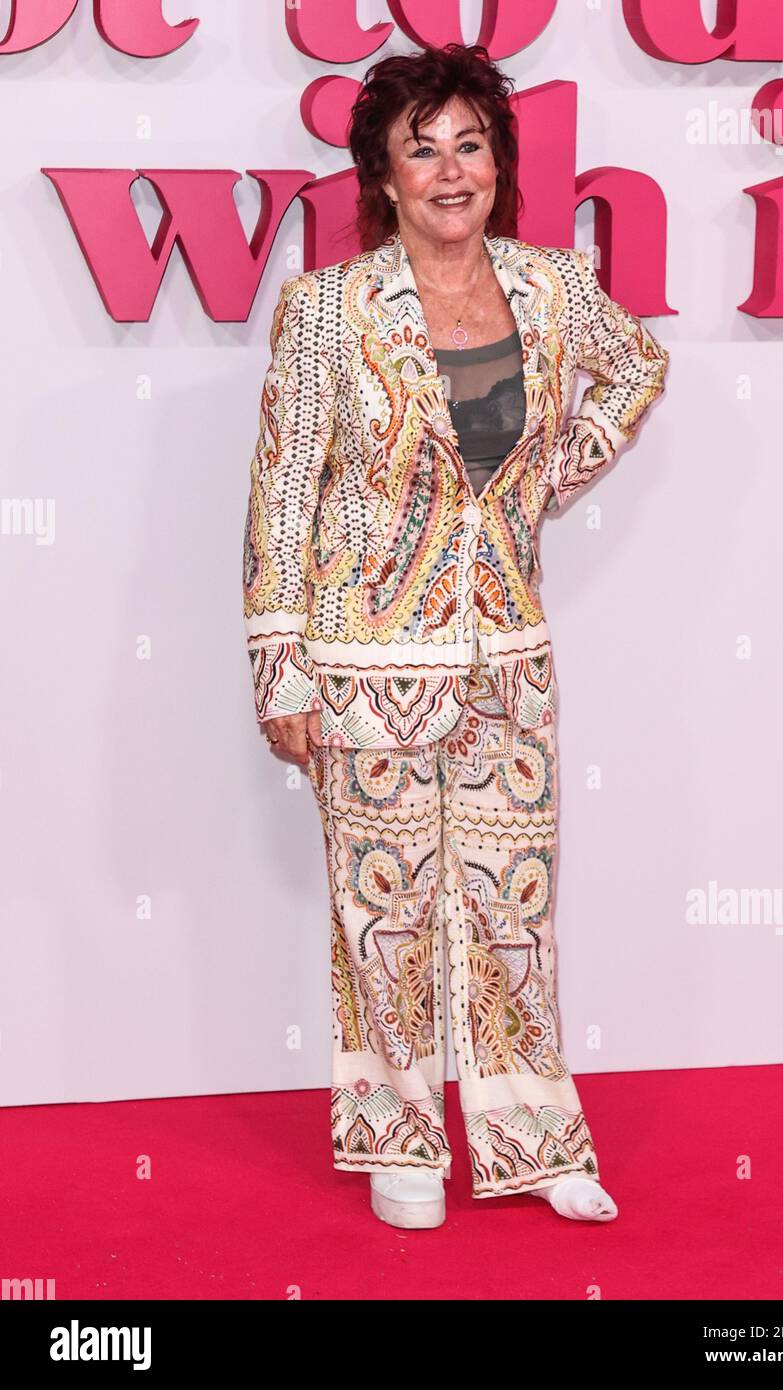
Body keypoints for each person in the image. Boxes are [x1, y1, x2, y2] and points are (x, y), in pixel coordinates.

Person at [242, 43, 670, 1228]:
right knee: (385, 909)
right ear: (380, 173)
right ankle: (402, 1140)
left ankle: (532, 1136)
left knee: (512, 905)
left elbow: (637, 369)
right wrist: (278, 664)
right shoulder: (326, 308)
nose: (447, 169)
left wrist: (539, 487)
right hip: (361, 658)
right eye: (419, 147)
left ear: (497, 162)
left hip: (506, 660)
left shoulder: (547, 286)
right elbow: (281, 492)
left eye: (468, 144)